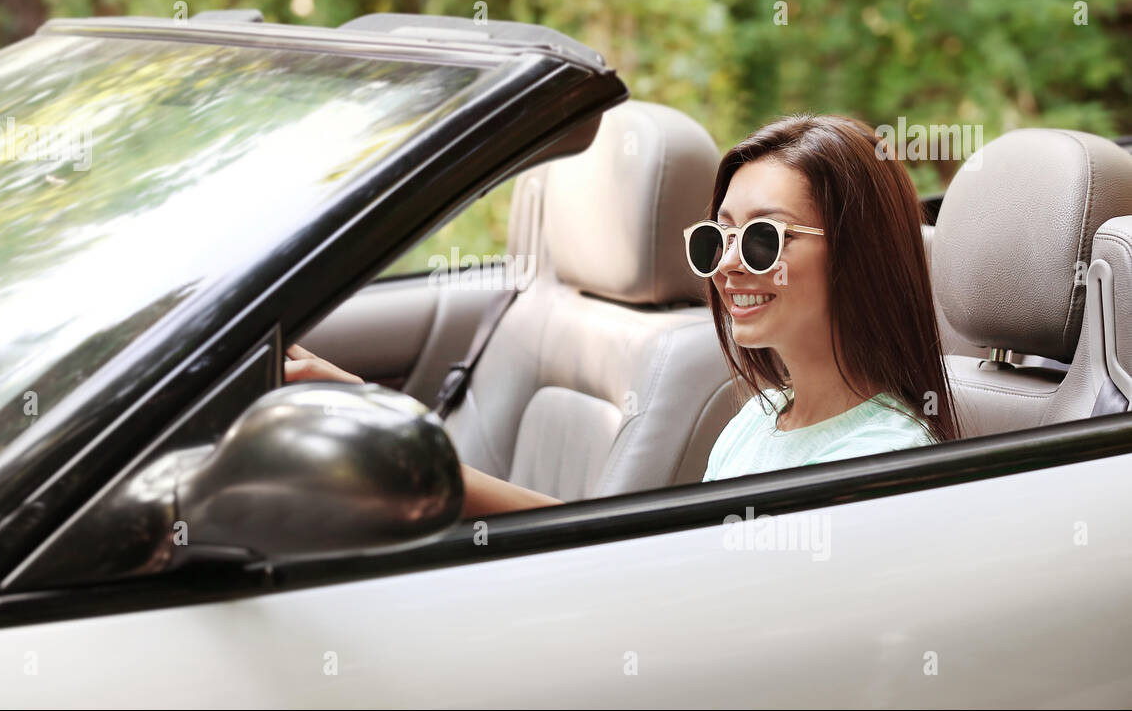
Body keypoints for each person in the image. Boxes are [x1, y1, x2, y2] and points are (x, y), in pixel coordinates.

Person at [285, 113, 961, 515]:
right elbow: (632, 545)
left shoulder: (880, 460)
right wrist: (370, 409)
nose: (727, 264)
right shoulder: (761, 417)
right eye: (716, 237)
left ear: (856, 255)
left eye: (763, 239)